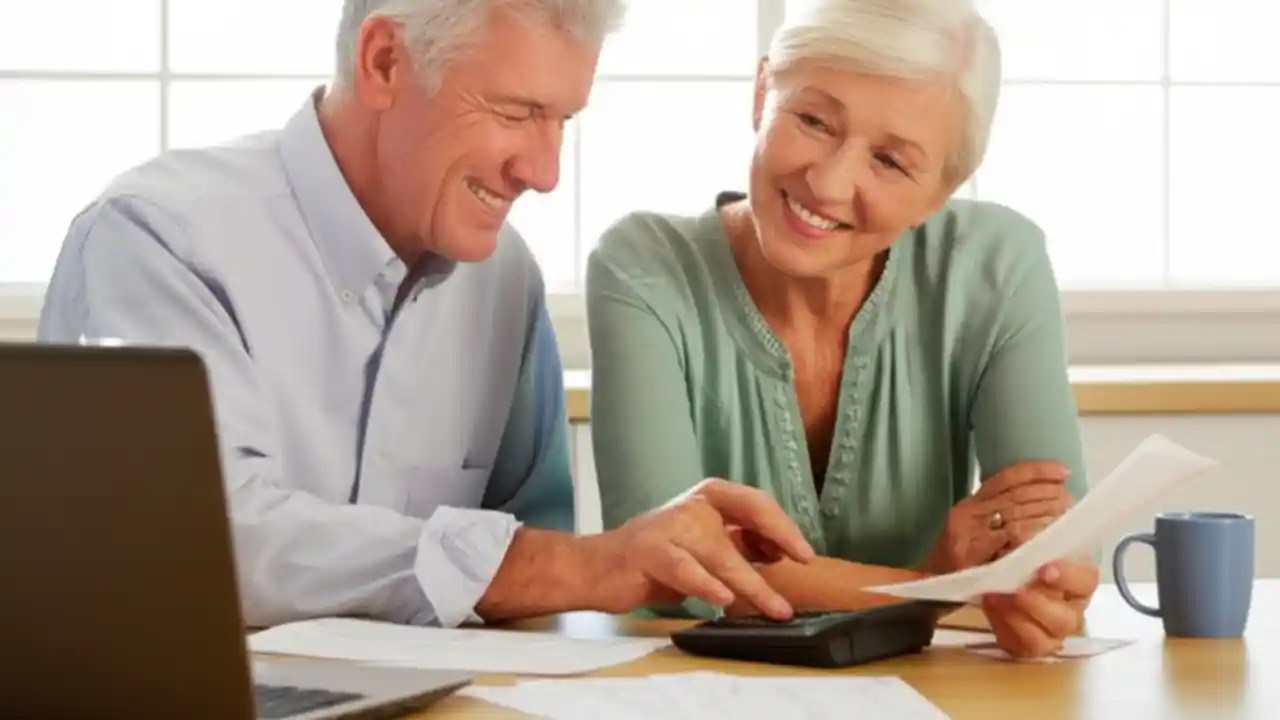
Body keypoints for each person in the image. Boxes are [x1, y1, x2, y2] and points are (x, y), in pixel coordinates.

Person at [37, 0, 816, 629]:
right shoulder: (158, 238)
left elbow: (529, 580)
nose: (543, 172)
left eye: (563, 121)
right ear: (384, 62)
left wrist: (594, 570)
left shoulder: (506, 280)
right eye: (516, 112)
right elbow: (191, 546)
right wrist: (574, 565)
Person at [586, 0, 1098, 658]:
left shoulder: (996, 267)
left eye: (890, 161)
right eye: (813, 120)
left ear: (943, 191)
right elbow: (668, 572)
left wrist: (1040, 589)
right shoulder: (643, 270)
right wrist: (941, 589)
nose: (828, 183)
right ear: (762, 92)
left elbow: (1056, 543)